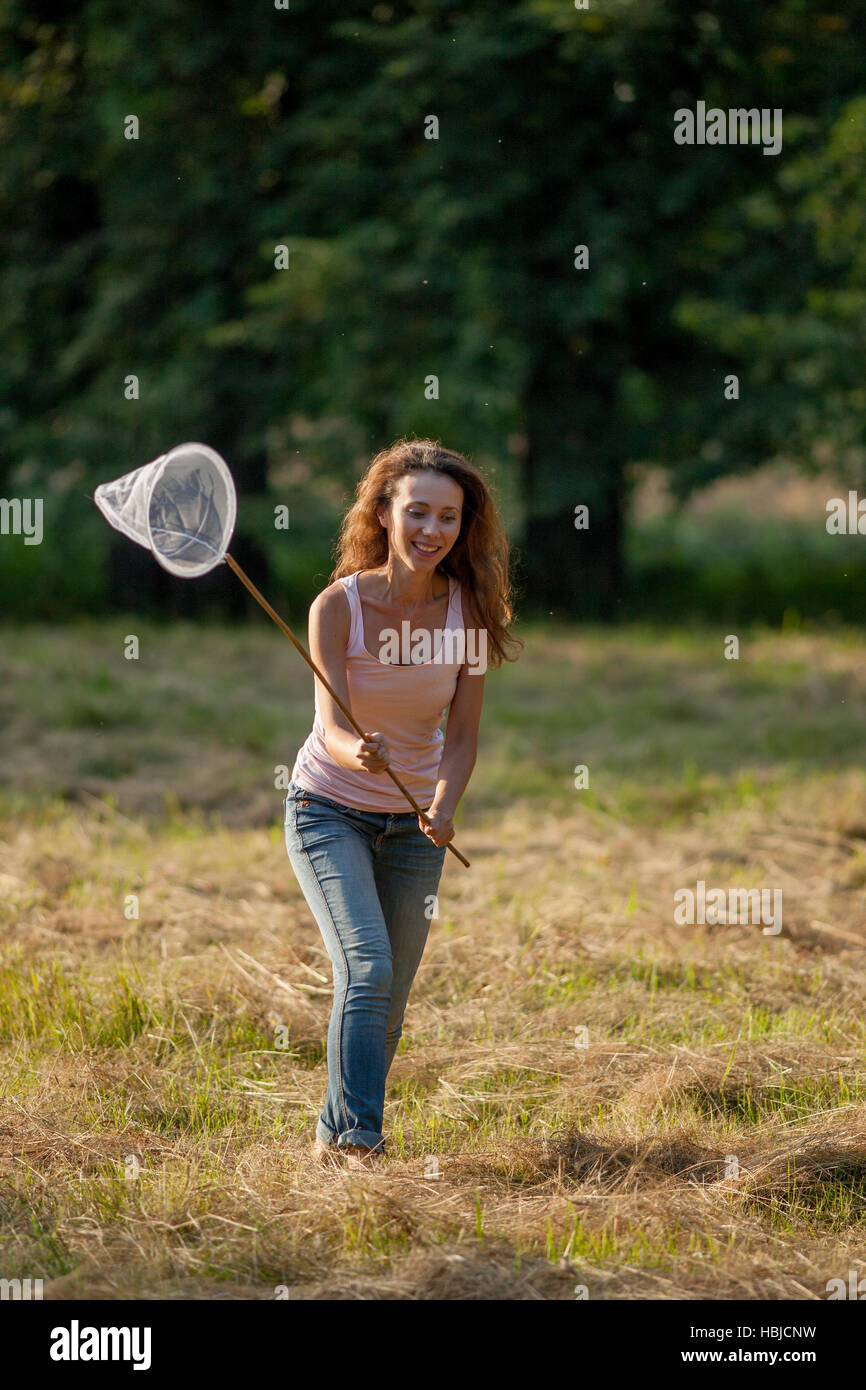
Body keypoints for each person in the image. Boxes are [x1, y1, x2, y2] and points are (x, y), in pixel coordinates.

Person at [283, 437, 523, 1169]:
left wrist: (445, 804)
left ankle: (332, 1137)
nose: (431, 530)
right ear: (384, 513)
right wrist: (361, 750)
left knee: (389, 998)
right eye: (416, 511)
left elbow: (463, 736)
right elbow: (332, 723)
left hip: (415, 825)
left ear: (463, 526)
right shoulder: (339, 607)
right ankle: (362, 1143)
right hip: (328, 809)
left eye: (447, 517)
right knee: (368, 965)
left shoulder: (470, 614)